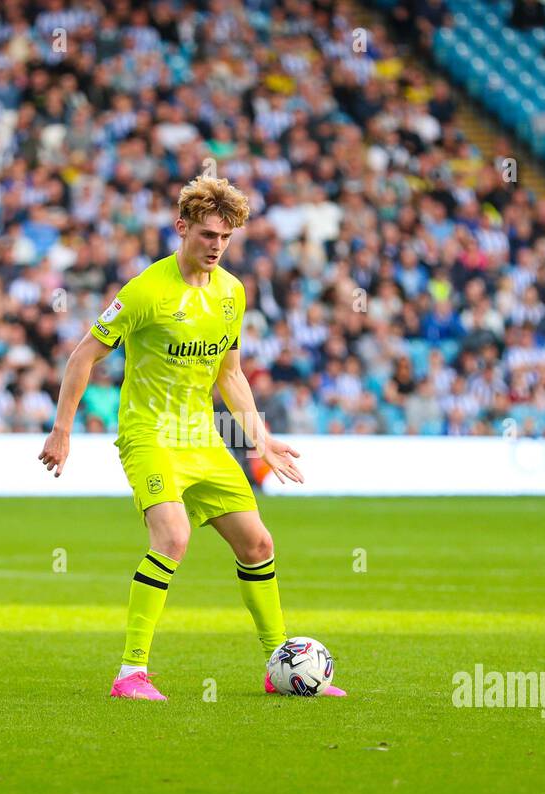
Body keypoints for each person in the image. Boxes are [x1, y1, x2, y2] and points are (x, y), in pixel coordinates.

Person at [38, 177, 346, 700]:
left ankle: (279, 668)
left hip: (202, 436)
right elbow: (82, 356)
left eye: (225, 238)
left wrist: (261, 439)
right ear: (182, 228)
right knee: (173, 537)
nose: (216, 247)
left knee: (258, 543)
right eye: (206, 235)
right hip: (149, 434)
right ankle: (130, 673)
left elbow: (231, 374)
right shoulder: (145, 291)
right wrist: (62, 430)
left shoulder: (232, 293)